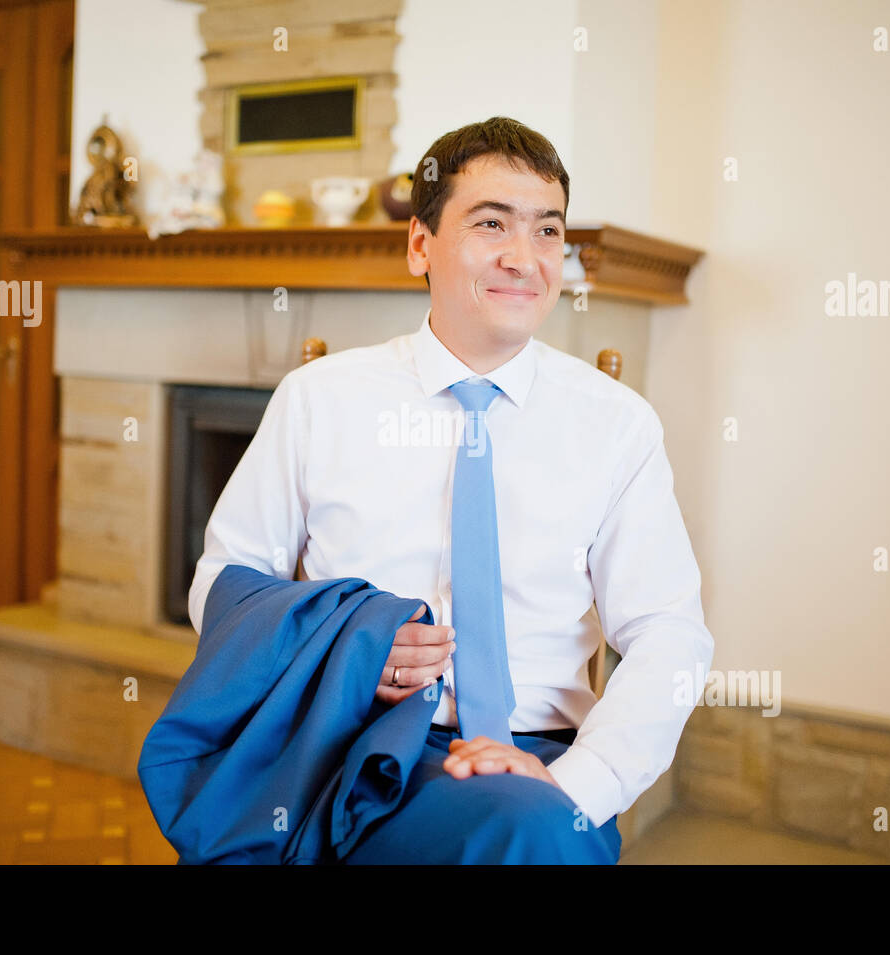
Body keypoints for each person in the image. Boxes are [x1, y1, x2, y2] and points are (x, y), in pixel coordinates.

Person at [187, 116, 715, 864]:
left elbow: (671, 633)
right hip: (346, 744)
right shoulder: (319, 400)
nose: (523, 258)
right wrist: (351, 637)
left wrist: (578, 782)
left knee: (532, 831)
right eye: (490, 223)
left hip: (539, 757)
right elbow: (219, 585)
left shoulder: (617, 426)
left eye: (547, 232)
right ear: (419, 245)